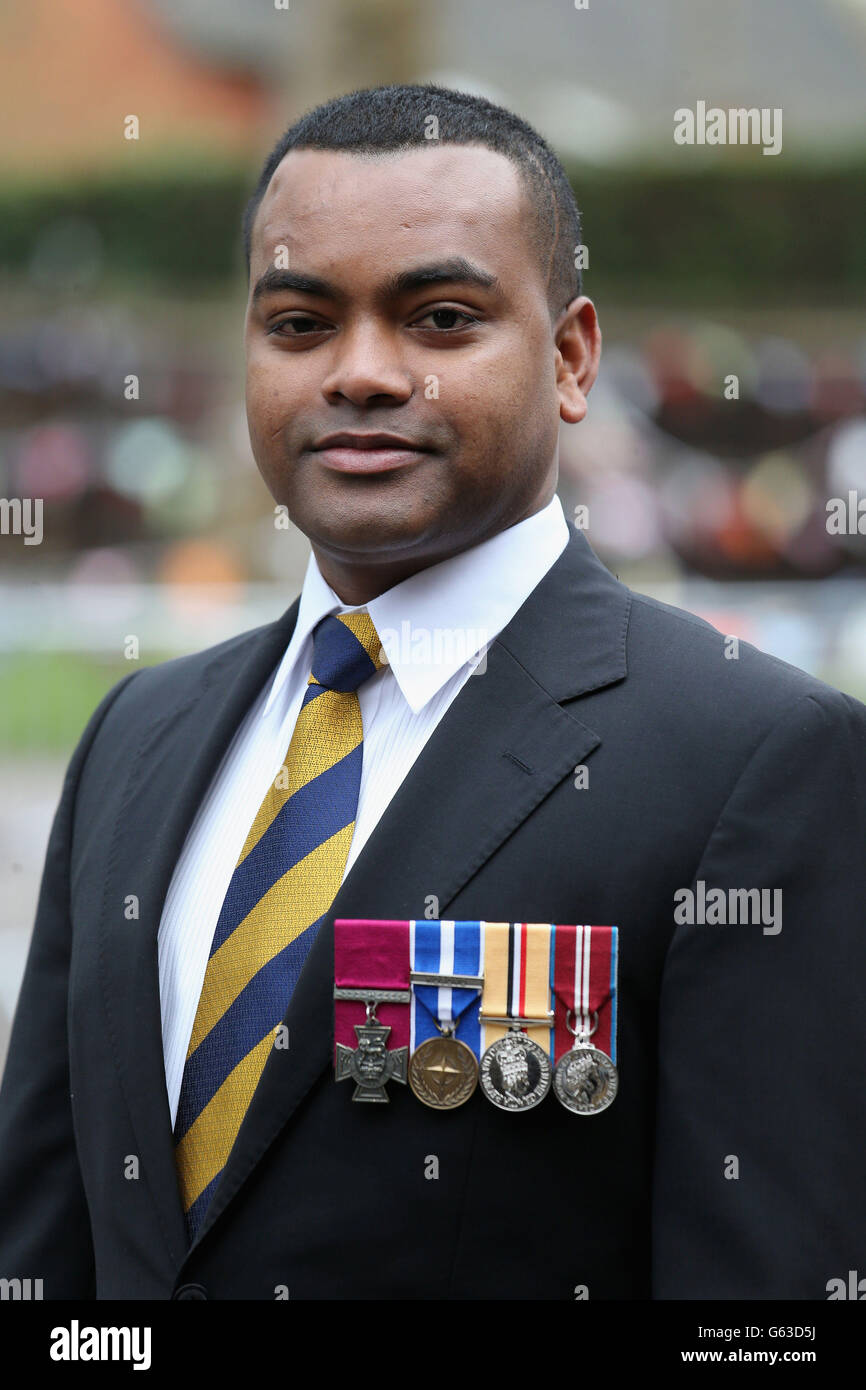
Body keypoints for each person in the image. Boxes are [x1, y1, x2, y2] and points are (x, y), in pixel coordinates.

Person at [0, 82, 864, 1301]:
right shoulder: (136, 739)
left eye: (441, 318)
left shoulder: (754, 761)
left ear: (569, 357)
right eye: (298, 324)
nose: (358, 373)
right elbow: (45, 1253)